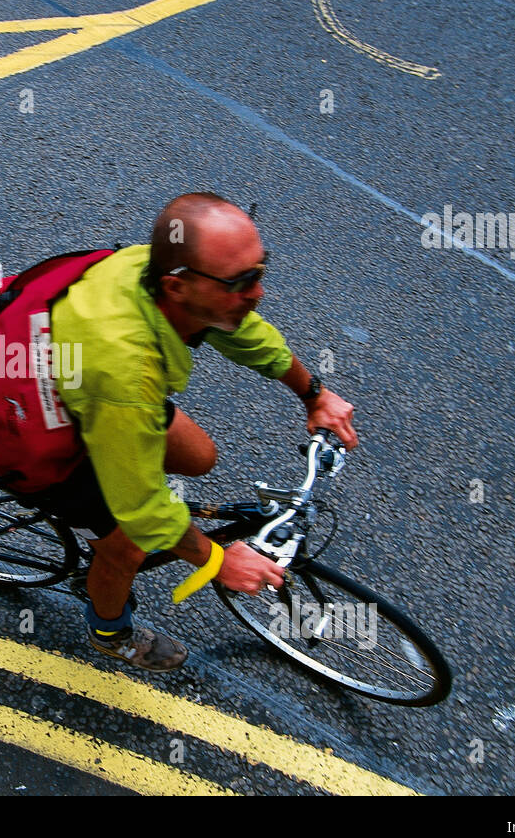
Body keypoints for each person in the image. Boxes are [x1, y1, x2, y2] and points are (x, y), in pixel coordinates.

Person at [27, 192, 359, 672]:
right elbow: (141, 508)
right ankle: (109, 630)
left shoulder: (166, 273)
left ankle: (121, 483)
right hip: (49, 428)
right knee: (129, 545)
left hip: (90, 386)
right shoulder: (126, 373)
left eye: (260, 270)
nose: (258, 291)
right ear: (176, 286)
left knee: (200, 456)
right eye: (241, 281)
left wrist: (314, 394)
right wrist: (216, 560)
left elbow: (239, 328)